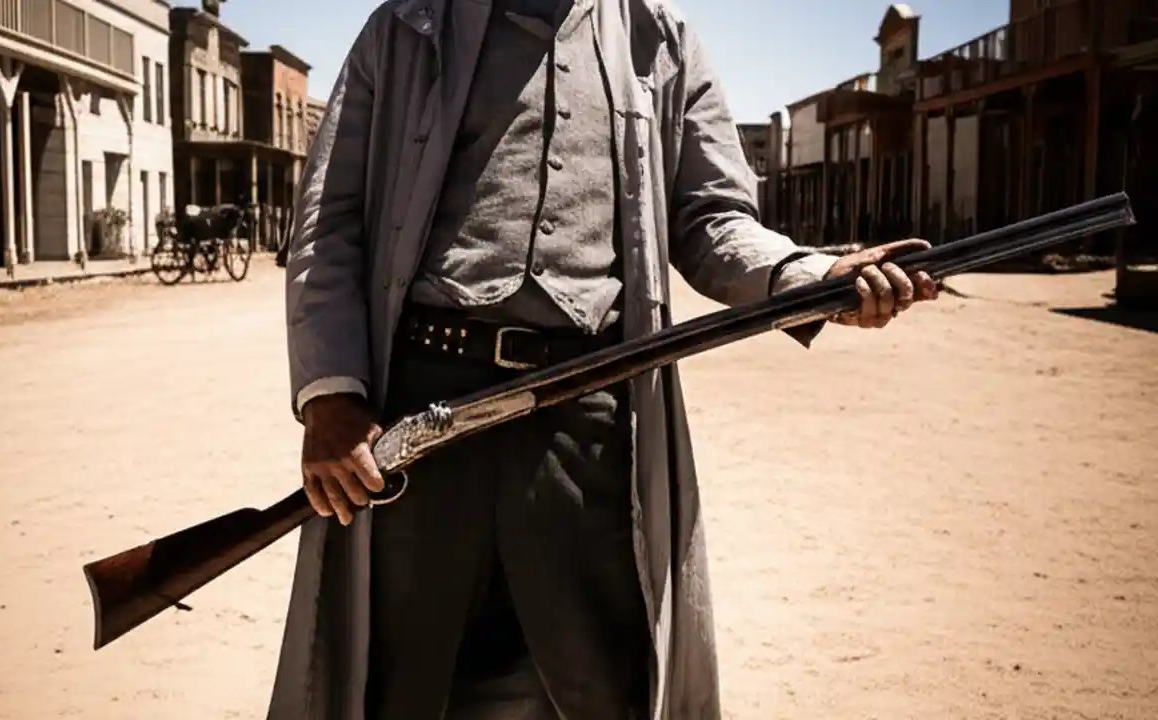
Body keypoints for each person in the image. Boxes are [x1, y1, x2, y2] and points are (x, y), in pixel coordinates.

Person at [271, 0, 940, 718]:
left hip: (590, 413)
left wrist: (805, 279)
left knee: (600, 686)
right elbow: (328, 221)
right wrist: (331, 396)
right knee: (409, 686)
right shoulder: (404, 28)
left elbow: (711, 218)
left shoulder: (663, 39)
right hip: (426, 410)